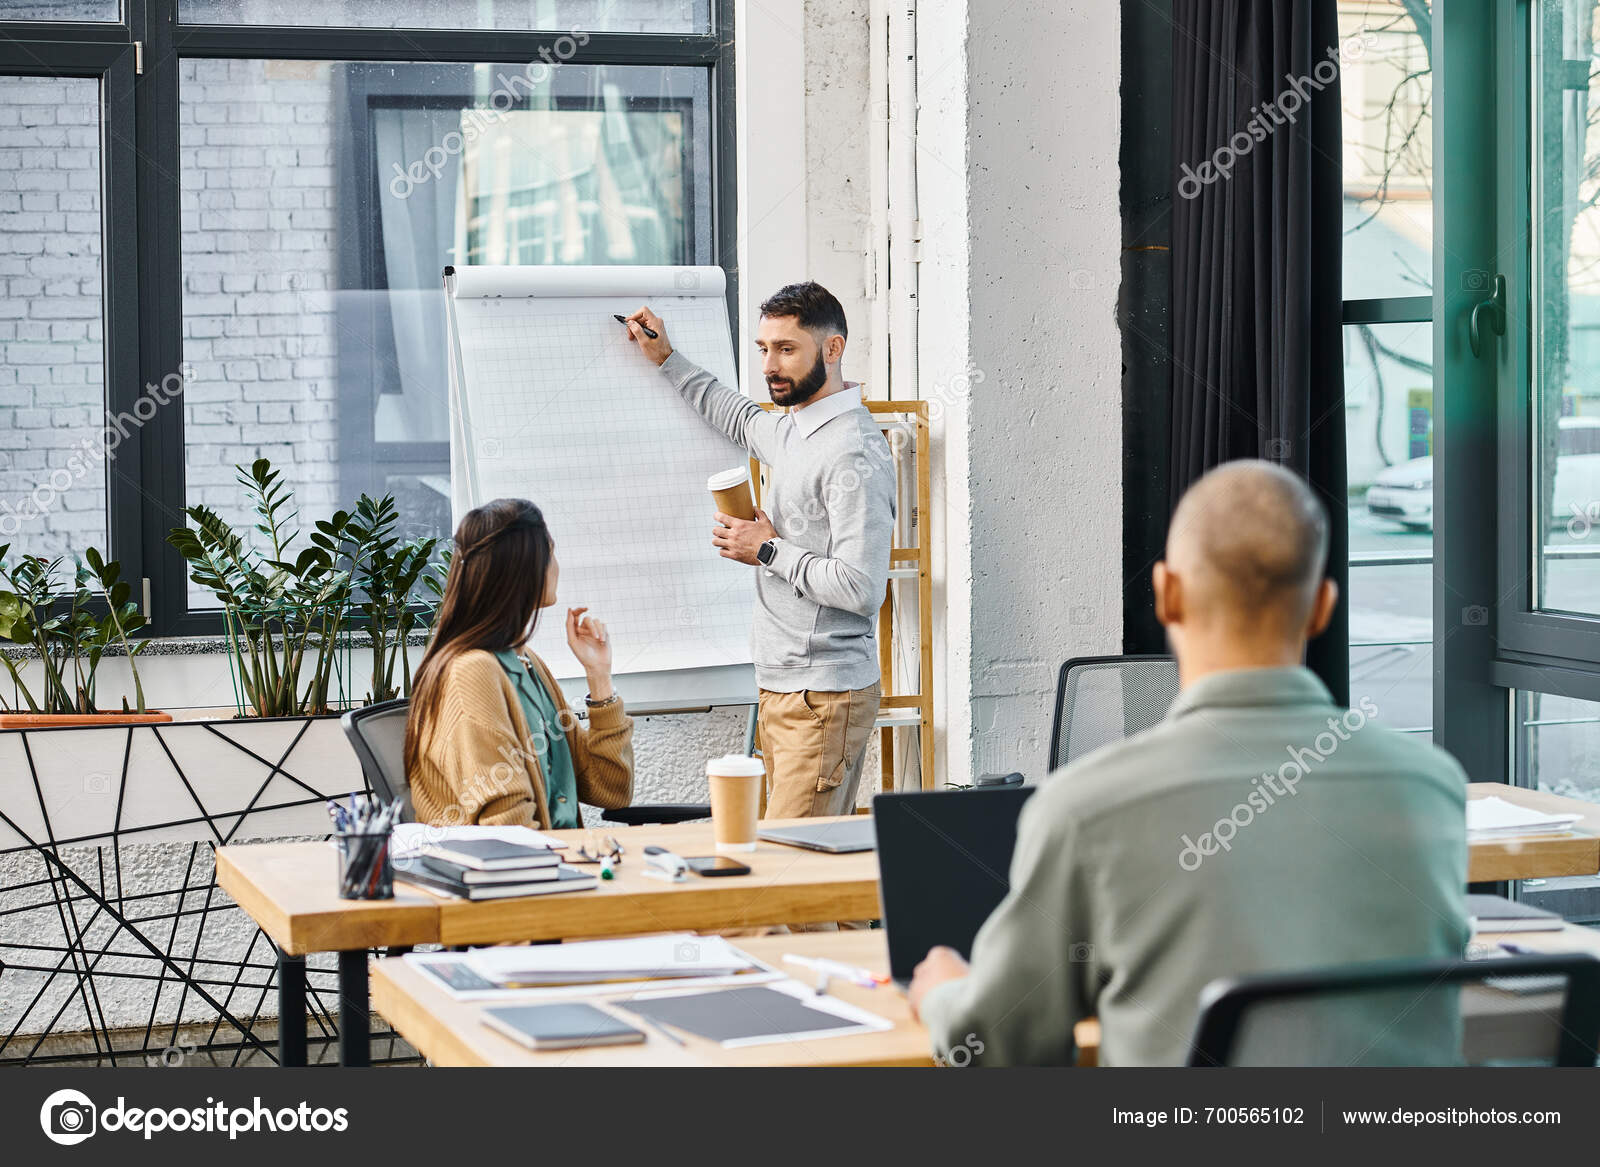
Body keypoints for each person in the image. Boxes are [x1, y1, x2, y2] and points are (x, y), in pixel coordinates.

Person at [909, 460, 1471, 1066]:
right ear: (1322, 607)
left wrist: (943, 993)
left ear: (1167, 593)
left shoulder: (1085, 808)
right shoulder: (1432, 785)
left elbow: (1000, 1044)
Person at [623, 282, 894, 820]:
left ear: (833, 349)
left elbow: (863, 588)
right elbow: (739, 416)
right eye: (764, 348)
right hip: (786, 689)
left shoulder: (853, 452)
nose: (770, 365)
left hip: (821, 696)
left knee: (792, 865)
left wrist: (768, 550)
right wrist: (667, 358)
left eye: (787, 349)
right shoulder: (796, 429)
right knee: (796, 861)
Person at [404, 498, 633, 828]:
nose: (557, 566)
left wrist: (599, 676)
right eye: (551, 553)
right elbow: (509, 828)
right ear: (526, 569)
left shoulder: (525, 661)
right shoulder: (472, 672)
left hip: (554, 853)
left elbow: (611, 789)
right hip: (523, 859)